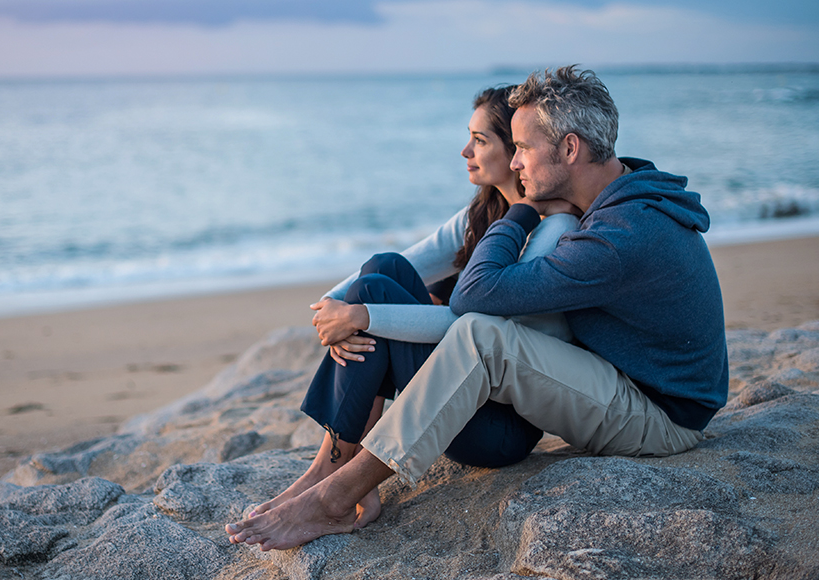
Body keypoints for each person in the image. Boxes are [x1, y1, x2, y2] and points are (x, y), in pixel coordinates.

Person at [225, 65, 729, 551]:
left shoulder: (616, 237)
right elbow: (445, 279)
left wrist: (522, 209)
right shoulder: (621, 200)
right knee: (393, 278)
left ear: (570, 148)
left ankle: (335, 496)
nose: (513, 163)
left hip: (662, 416)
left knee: (481, 337)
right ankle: (333, 469)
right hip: (634, 382)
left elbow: (473, 296)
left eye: (525, 148)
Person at [240, 85, 579, 532]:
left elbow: (481, 331)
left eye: (481, 140)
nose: (465, 150)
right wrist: (333, 310)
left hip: (499, 428)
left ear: (514, 151)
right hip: (458, 397)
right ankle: (335, 463)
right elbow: (401, 265)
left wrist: (362, 317)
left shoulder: (554, 231)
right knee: (384, 269)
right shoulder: (485, 212)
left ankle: (334, 468)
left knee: (376, 298)